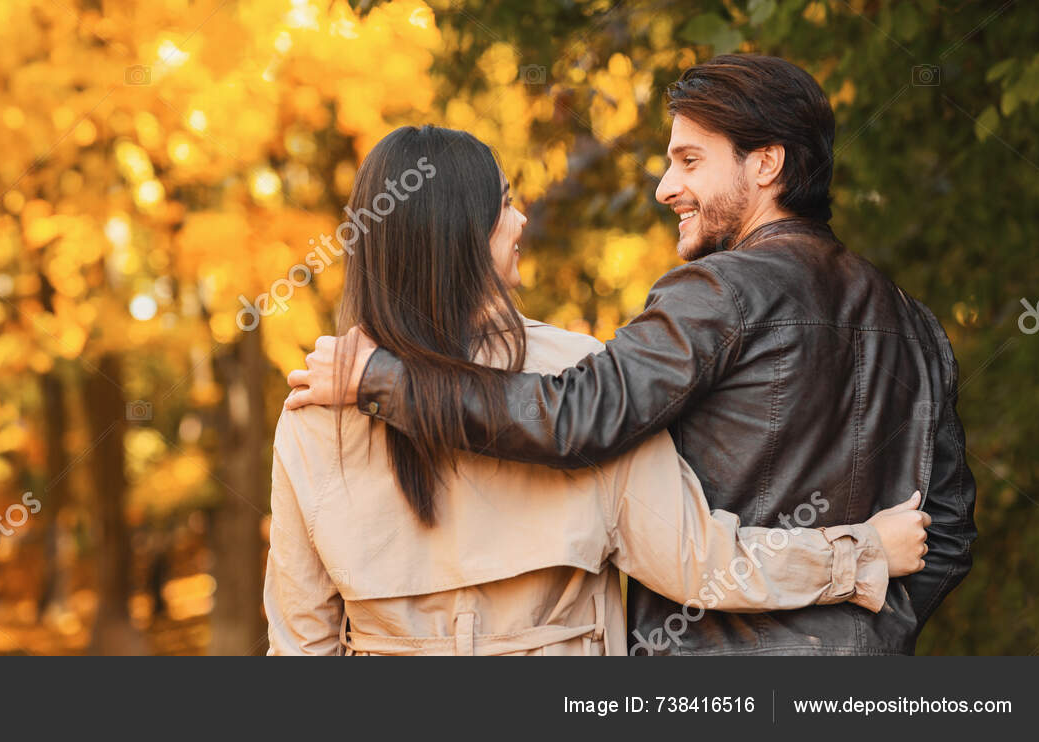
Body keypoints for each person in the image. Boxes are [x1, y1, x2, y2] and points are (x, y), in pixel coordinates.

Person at [284, 55, 974, 655]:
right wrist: (861, 634)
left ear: (766, 164)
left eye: (689, 161)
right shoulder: (914, 323)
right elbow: (945, 535)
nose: (664, 188)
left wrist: (387, 381)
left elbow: (575, 417)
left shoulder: (713, 294)